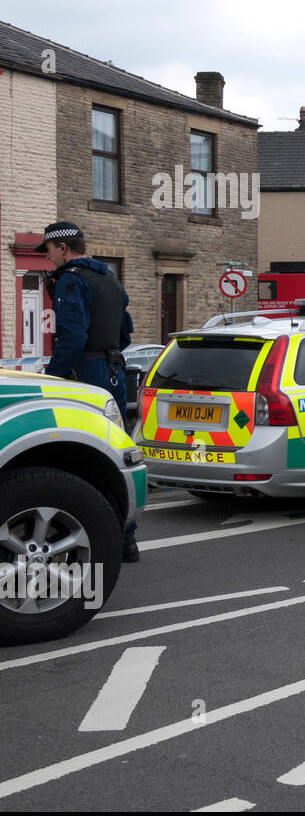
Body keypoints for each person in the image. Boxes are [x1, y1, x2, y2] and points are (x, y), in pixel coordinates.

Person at [38, 222, 139, 562]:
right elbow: (125, 332)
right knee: (114, 449)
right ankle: (127, 538)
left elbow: (71, 337)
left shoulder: (71, 279)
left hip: (88, 372)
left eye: (49, 251)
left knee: (79, 450)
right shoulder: (109, 278)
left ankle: (89, 531)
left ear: (62, 248)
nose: (49, 258)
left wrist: (53, 379)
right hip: (114, 369)